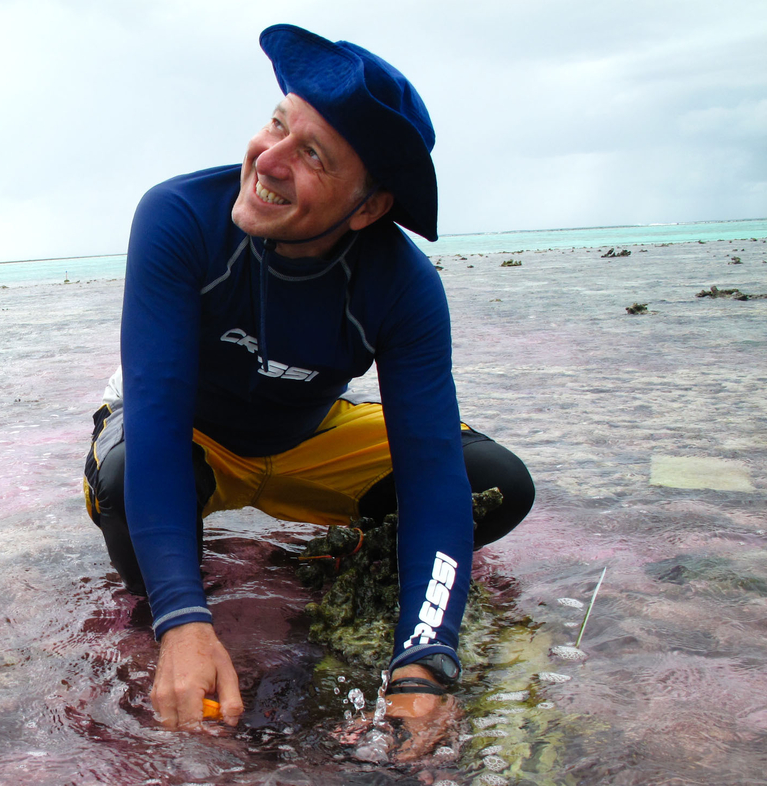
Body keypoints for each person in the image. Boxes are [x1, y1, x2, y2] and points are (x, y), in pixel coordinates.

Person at [80, 24, 535, 752]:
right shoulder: (177, 218)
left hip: (310, 435)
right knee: (128, 484)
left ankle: (328, 559)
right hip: (191, 435)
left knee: (497, 484)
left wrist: (424, 665)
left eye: (313, 155)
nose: (270, 159)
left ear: (368, 207)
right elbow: (160, 425)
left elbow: (434, 477)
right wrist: (181, 620)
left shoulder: (405, 287)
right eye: (278, 124)